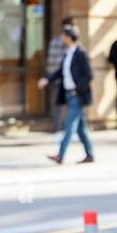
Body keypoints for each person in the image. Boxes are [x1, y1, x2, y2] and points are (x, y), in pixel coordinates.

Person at [37, 26, 95, 164]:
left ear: (69, 37)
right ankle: (90, 154)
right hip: (69, 95)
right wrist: (47, 80)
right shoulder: (68, 53)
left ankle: (61, 155)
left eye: (64, 36)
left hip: (77, 96)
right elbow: (60, 72)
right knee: (81, 129)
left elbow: (89, 75)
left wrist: (77, 89)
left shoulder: (81, 53)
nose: (62, 38)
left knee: (69, 125)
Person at [45, 16, 77, 133]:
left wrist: (50, 77)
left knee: (58, 104)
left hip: (54, 77)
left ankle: (58, 128)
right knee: (70, 105)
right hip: (64, 78)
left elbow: (49, 61)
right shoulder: (67, 42)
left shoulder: (54, 41)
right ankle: (64, 129)